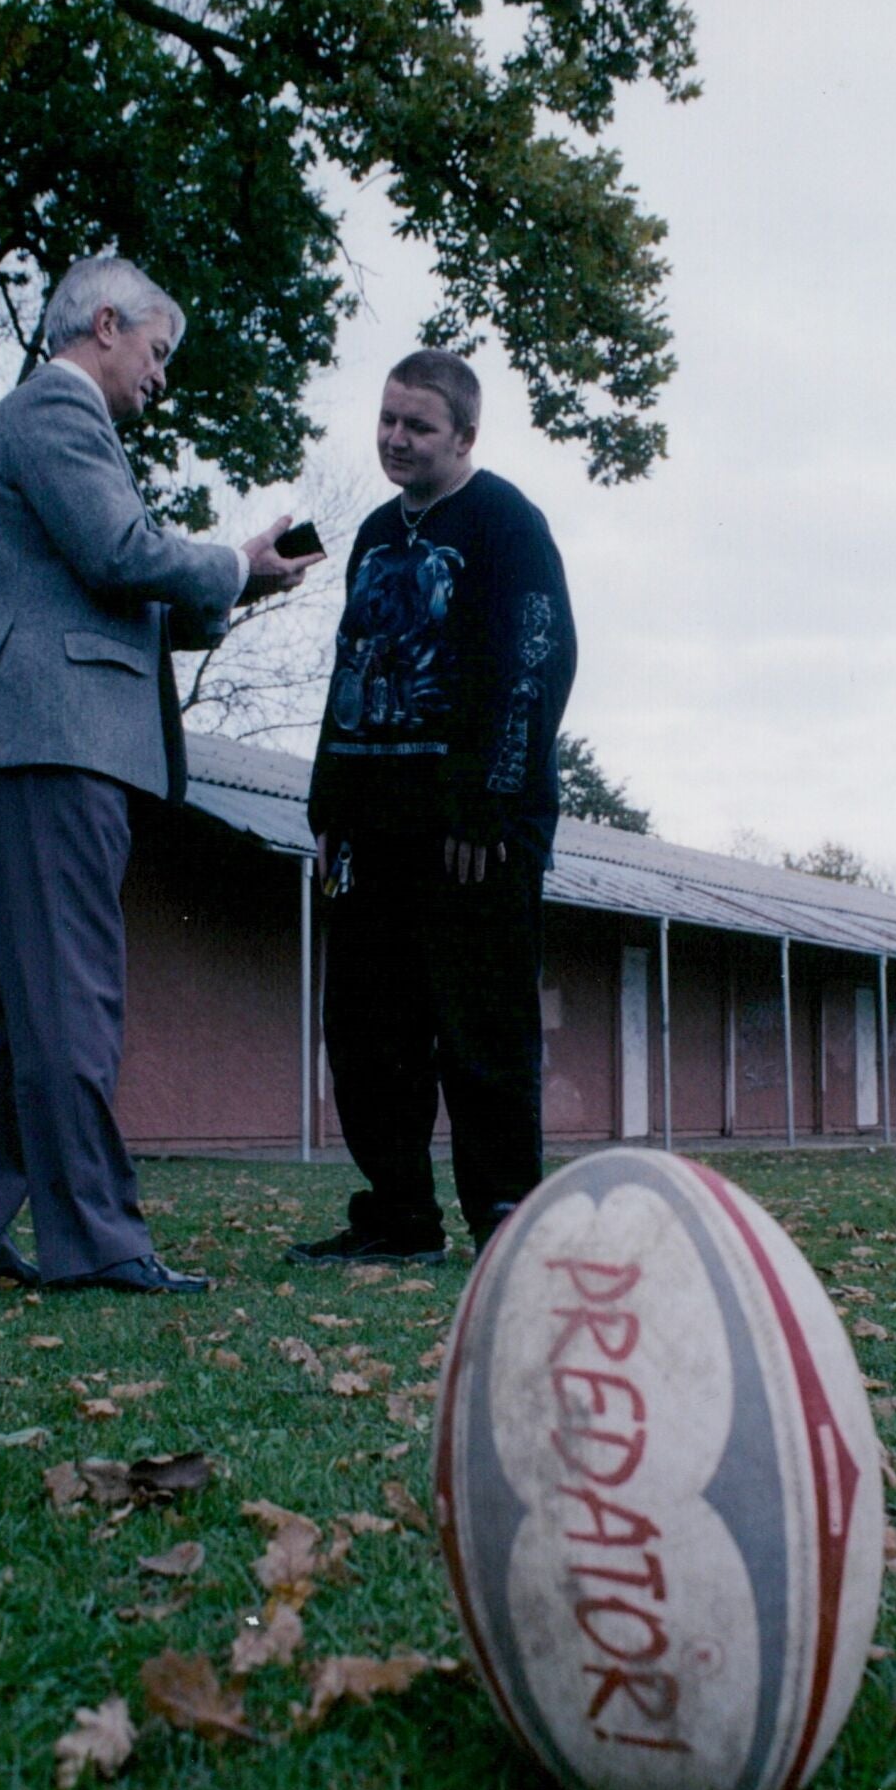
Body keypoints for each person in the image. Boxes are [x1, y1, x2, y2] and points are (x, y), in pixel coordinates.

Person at [0, 255, 321, 1294]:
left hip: (29, 742)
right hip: (57, 745)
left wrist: (244, 582)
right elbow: (120, 550)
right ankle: (97, 1243)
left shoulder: (44, 426)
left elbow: (112, 581)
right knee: (70, 998)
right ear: (106, 322)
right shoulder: (56, 414)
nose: (161, 378)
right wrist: (232, 561)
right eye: (156, 352)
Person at [290, 350, 576, 1266]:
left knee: (481, 1029)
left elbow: (534, 666)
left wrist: (486, 806)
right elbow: (347, 668)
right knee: (369, 1033)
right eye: (387, 420)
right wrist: (327, 800)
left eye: (417, 425)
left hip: (474, 834)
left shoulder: (506, 523)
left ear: (465, 435)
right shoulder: (374, 535)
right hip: (375, 827)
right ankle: (399, 1221)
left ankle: (506, 1224)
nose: (396, 438)